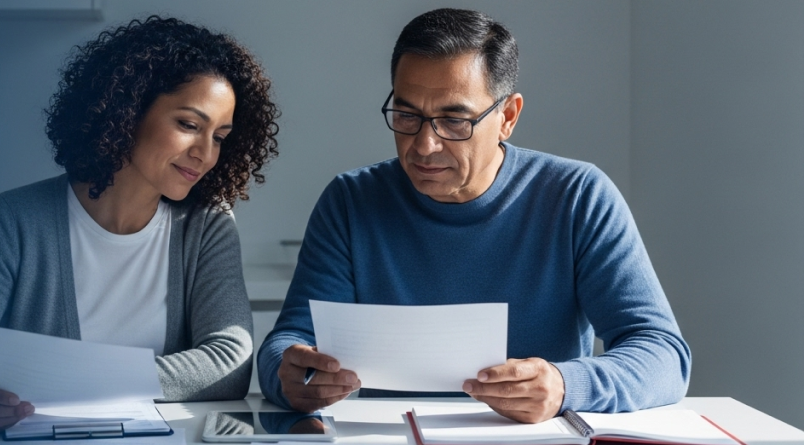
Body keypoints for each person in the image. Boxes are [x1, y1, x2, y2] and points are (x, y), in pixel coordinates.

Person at [258, 8, 690, 424]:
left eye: (454, 120)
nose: (424, 145)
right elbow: (288, 343)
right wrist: (291, 376)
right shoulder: (350, 201)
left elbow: (663, 353)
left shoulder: (577, 196)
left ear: (507, 117)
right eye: (407, 116)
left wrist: (564, 385)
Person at [0, 16, 280, 435]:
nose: (205, 154)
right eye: (189, 125)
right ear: (128, 110)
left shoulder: (206, 225)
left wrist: (77, 379)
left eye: (219, 137)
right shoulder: (16, 219)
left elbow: (228, 363)